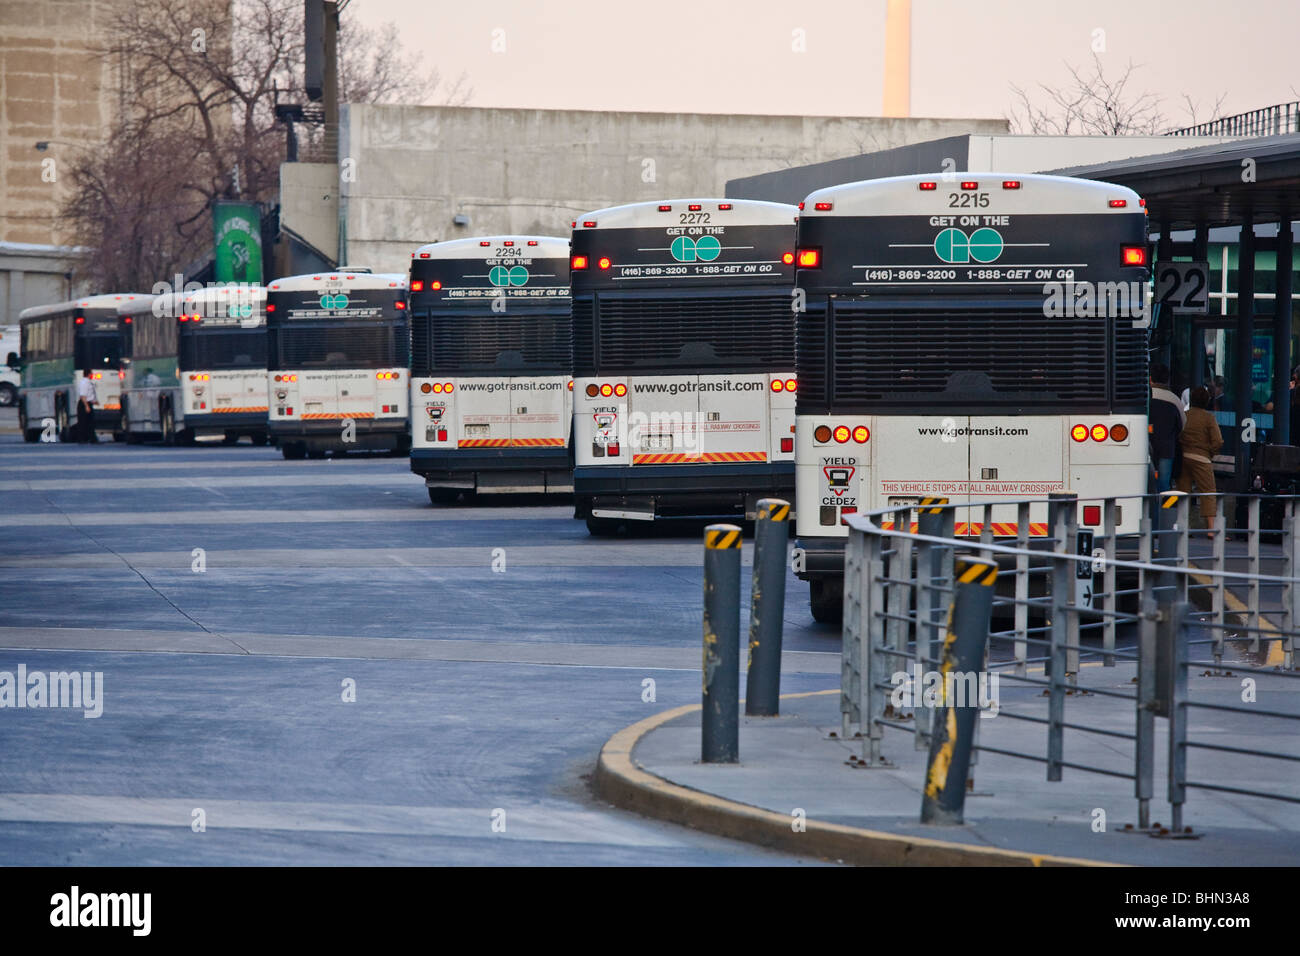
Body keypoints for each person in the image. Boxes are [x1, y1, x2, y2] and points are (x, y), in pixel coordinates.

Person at [1177, 386, 1224, 535]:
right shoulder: (1209, 418)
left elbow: (1178, 434)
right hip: (1202, 459)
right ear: (1207, 401)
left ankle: (1185, 527)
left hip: (1184, 458)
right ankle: (1210, 529)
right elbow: (1218, 441)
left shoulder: (1184, 415)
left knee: (1183, 492)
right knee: (1208, 492)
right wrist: (1209, 452)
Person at [1149, 362, 1185, 494]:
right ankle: (1164, 511)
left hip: (1145, 447)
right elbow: (1183, 427)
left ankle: (1147, 510)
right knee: (1164, 485)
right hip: (1166, 449)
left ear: (1150, 378)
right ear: (1167, 379)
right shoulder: (1174, 399)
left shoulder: (1144, 396)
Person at [76, 368, 98, 443]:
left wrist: (94, 401)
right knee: (83, 422)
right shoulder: (84, 383)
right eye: (91, 373)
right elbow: (83, 395)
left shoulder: (88, 382)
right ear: (88, 374)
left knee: (90, 422)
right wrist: (86, 406)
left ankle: (91, 438)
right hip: (84, 404)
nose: (92, 375)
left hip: (88, 403)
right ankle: (82, 439)